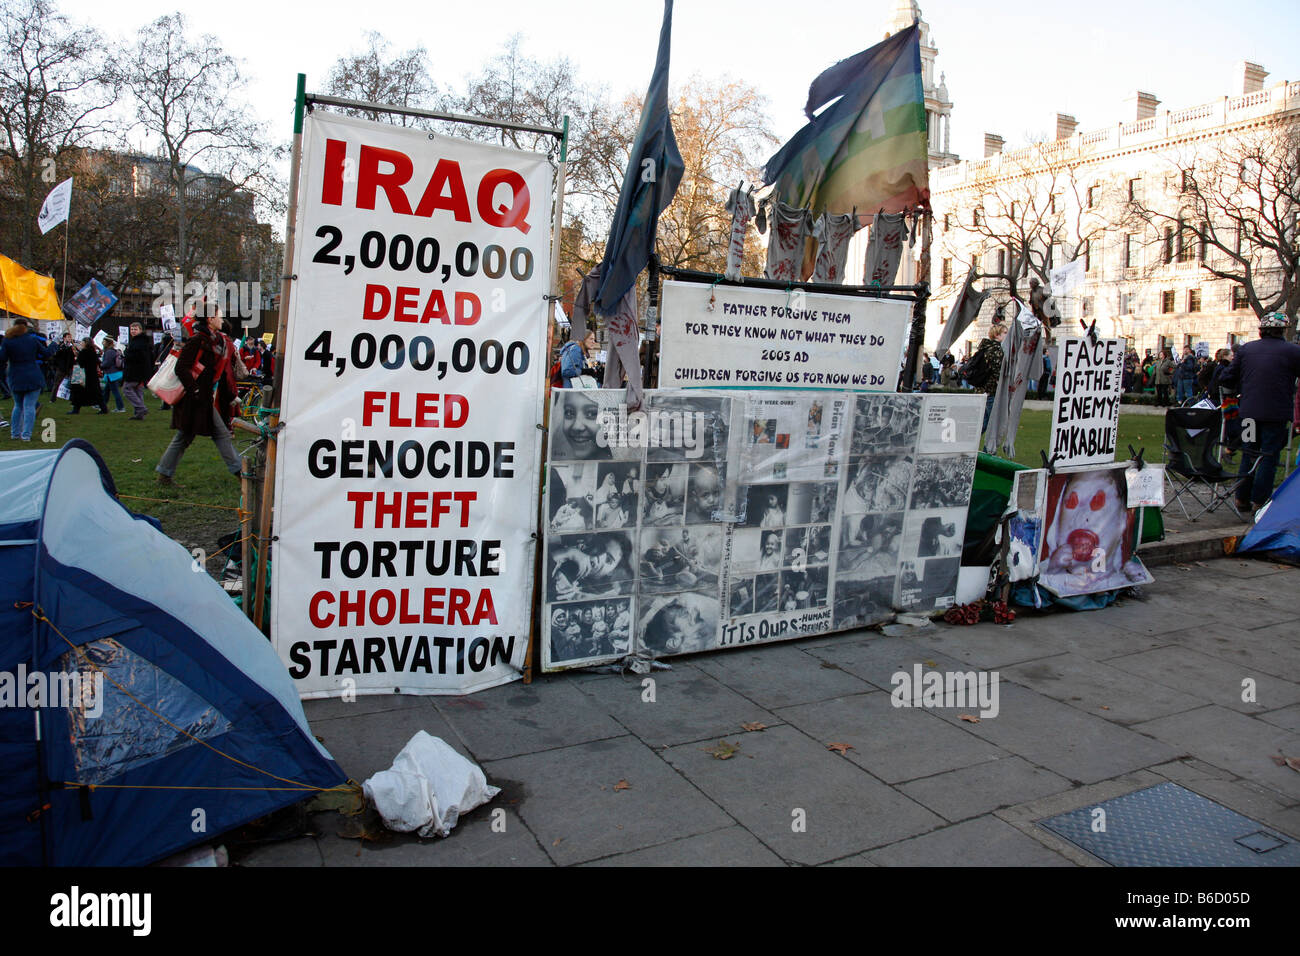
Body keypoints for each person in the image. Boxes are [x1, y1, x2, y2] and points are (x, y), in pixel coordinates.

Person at [155, 307, 245, 486]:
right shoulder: (198, 340)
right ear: (210, 319)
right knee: (219, 434)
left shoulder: (215, 341)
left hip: (201, 399)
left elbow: (218, 373)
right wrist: (195, 390)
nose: (222, 320)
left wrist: (227, 395)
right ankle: (241, 473)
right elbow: (181, 368)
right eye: (219, 317)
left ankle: (164, 475)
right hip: (195, 399)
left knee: (185, 437)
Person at [1221, 313, 1300, 516]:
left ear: (1261, 330)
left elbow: (1227, 377)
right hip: (1276, 414)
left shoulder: (1247, 349)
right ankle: (1259, 500)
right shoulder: (1293, 351)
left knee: (1249, 452)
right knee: (1268, 456)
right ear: (1282, 331)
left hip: (1249, 413)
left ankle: (1241, 497)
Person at [0, 318, 55, 440]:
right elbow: (46, 354)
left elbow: (2, 359)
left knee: (18, 405)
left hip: (15, 375)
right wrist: (54, 345)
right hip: (33, 375)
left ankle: (15, 434)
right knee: (29, 406)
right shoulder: (32, 340)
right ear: (25, 327)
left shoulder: (7, 341)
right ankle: (26, 435)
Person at [973, 321, 1007, 434]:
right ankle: (986, 449)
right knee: (989, 423)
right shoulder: (996, 350)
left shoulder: (985, 348)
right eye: (1005, 333)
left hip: (981, 388)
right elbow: (998, 371)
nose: (1007, 335)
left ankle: (970, 446)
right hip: (990, 390)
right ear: (997, 335)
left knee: (983, 422)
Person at [123, 322, 153, 420]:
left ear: (140, 330)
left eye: (135, 329)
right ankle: (139, 415)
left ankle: (141, 408)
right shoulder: (141, 341)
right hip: (140, 371)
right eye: (132, 329)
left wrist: (126, 353)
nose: (133, 331)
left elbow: (137, 356)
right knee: (137, 391)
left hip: (135, 371)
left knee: (127, 389)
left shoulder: (138, 342)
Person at [68, 338, 107, 414]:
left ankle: (76, 409)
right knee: (96, 393)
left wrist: (77, 356)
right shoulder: (93, 351)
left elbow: (81, 363)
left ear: (86, 343)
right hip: (92, 375)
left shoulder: (84, 352)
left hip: (84, 375)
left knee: (79, 392)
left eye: (82, 342)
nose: (81, 343)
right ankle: (103, 408)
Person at [100, 338, 126, 412]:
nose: (102, 342)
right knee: (106, 391)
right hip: (112, 374)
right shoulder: (112, 351)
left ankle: (120, 407)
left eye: (104, 341)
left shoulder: (109, 352)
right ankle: (103, 405)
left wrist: (101, 365)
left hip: (112, 374)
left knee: (115, 391)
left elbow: (107, 362)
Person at [49, 332, 75, 402]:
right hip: (61, 368)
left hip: (70, 367)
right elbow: (56, 355)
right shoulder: (60, 345)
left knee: (73, 383)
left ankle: (72, 398)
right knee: (56, 383)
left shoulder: (73, 346)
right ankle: (52, 399)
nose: (70, 338)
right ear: (64, 338)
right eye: (68, 337)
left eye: (70, 337)